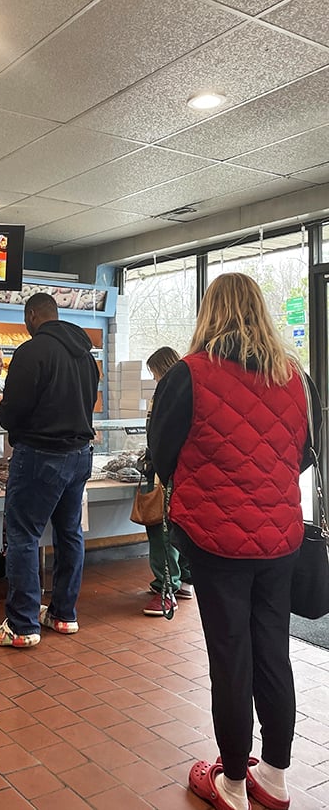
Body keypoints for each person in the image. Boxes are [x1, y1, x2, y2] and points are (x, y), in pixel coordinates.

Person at [148, 273, 321, 810]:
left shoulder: (188, 375)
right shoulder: (295, 374)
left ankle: (232, 783)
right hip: (280, 537)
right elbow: (305, 454)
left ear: (210, 313)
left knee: (230, 656)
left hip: (215, 538)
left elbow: (160, 455)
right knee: (273, 651)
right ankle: (275, 776)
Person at [0, 292, 99, 648]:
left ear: (32, 315)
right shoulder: (86, 355)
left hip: (40, 456)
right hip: (80, 455)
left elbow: (14, 412)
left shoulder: (31, 352)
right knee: (70, 534)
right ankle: (63, 615)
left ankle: (22, 626)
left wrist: (3, 408)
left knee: (23, 535)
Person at [142, 346, 193, 616]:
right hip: (184, 475)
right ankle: (184, 582)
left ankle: (166, 589)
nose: (153, 379)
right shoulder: (190, 389)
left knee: (160, 531)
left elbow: (160, 437)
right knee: (181, 526)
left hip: (165, 475)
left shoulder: (166, 395)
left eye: (154, 373)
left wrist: (154, 461)